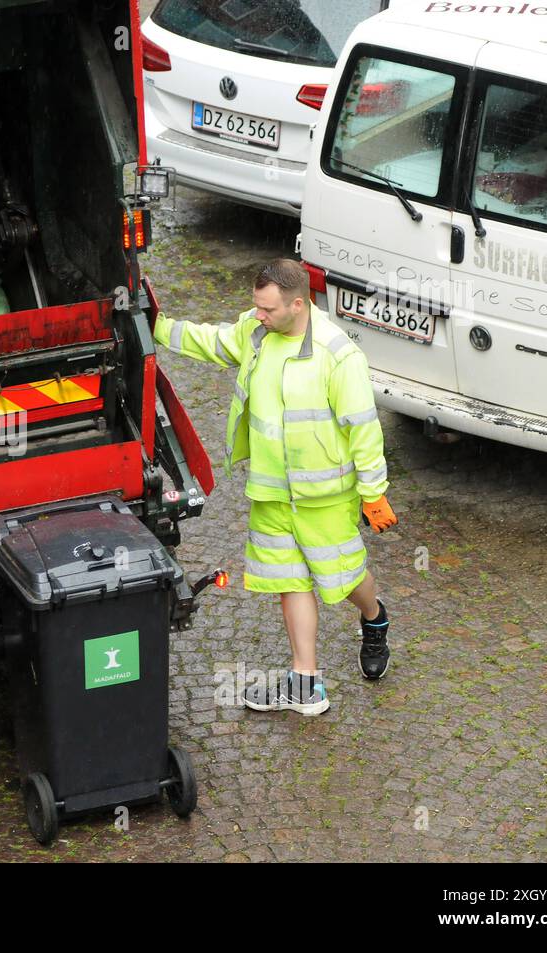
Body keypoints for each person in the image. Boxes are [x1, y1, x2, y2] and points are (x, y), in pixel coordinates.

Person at [154, 259, 398, 715]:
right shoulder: (255, 330)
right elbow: (215, 341)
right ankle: (307, 687)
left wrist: (374, 491)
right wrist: (159, 328)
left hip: (326, 496)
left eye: (267, 309)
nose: (257, 316)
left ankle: (374, 616)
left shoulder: (338, 355)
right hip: (271, 490)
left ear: (298, 304)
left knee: (342, 578)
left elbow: (363, 428)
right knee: (291, 580)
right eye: (255, 307)